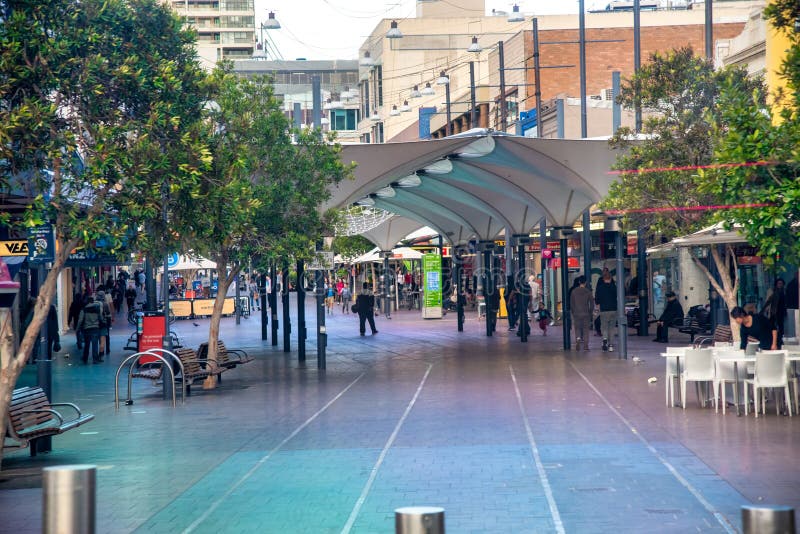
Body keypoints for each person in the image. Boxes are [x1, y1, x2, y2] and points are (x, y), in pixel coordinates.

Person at [595, 267, 618, 352]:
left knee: (604, 326)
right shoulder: (614, 287)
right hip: (613, 309)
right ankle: (611, 345)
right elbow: (617, 297)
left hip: (604, 309)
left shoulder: (600, 288)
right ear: (611, 278)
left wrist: (598, 305)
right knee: (611, 328)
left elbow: (597, 299)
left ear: (603, 279)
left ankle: (604, 339)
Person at [77, 295, 103, 363]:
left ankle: (85, 358)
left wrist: (77, 329)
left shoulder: (84, 309)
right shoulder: (97, 309)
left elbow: (80, 320)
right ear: (93, 302)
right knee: (95, 345)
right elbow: (101, 318)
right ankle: (95, 359)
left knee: (87, 345)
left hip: (87, 329)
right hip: (95, 329)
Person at [570, 275, 594, 351]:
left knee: (577, 328)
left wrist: (573, 312)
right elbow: (592, 303)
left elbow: (572, 304)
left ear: (579, 282)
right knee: (586, 329)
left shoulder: (574, 291)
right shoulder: (588, 292)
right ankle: (586, 346)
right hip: (586, 313)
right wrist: (590, 312)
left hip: (576, 313)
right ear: (585, 282)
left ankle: (578, 339)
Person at [96, 289, 112, 356]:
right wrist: (110, 324)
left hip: (96, 323)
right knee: (106, 336)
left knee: (97, 338)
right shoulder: (105, 304)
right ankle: (106, 350)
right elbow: (108, 314)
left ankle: (98, 352)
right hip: (104, 323)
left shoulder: (95, 303)